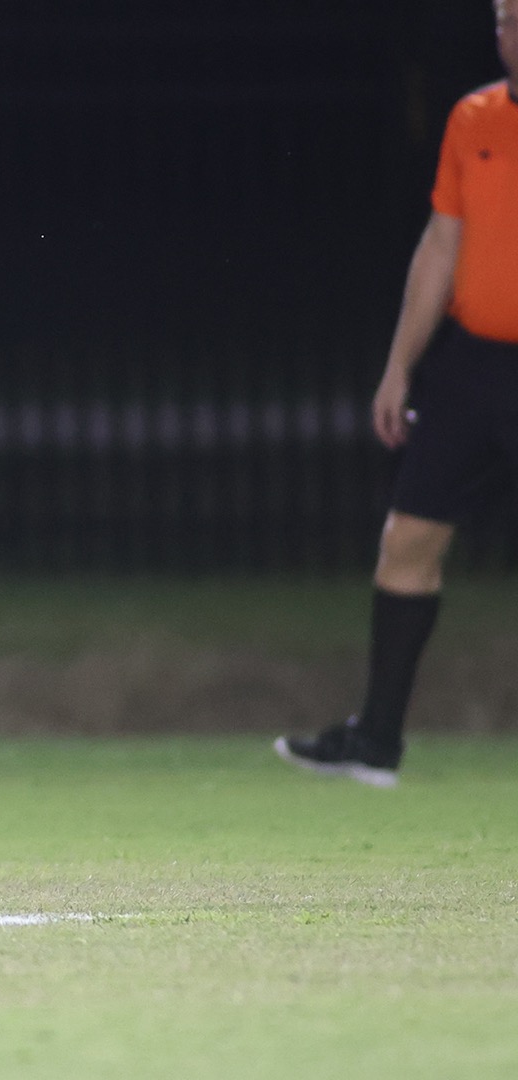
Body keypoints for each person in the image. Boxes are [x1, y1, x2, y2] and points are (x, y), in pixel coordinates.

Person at [276, 0, 518, 787]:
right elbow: (442, 243)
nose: (511, 36)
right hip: (475, 365)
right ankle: (377, 741)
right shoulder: (473, 118)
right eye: (504, 20)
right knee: (407, 543)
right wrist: (400, 365)